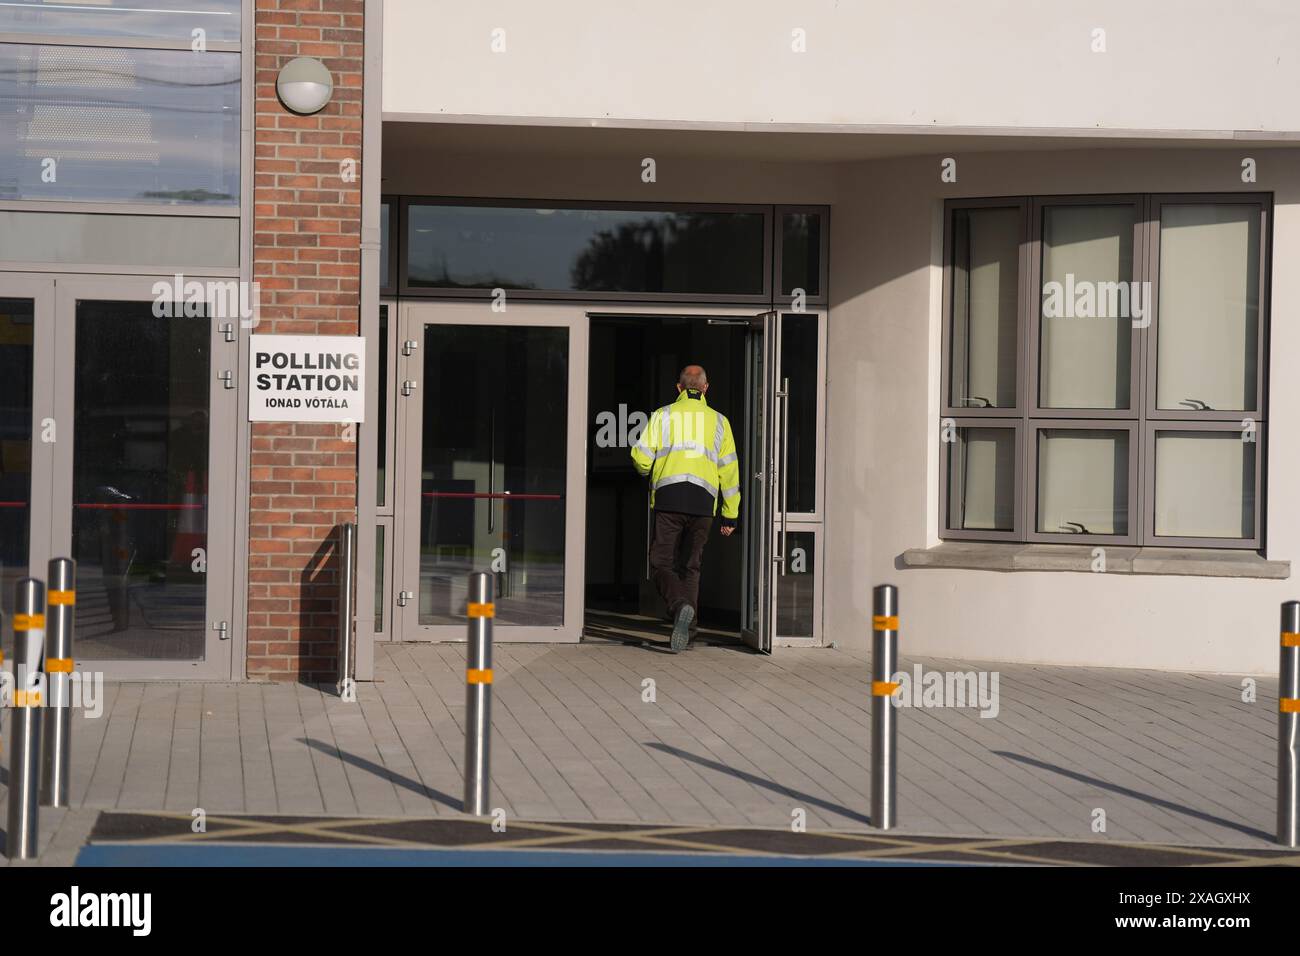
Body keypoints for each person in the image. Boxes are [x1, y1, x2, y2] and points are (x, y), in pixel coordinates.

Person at [630, 365, 740, 652]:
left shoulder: (663, 415)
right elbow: (729, 470)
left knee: (661, 562)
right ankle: (689, 633)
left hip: (669, 498)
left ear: (679, 388)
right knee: (691, 566)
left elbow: (641, 458)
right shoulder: (720, 422)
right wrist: (730, 513)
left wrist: (647, 471)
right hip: (704, 502)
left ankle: (679, 607)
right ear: (705, 388)